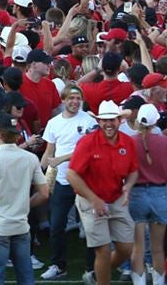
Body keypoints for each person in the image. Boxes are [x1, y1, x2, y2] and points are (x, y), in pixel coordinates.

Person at [67, 100, 139, 285]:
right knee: (103, 250)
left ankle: (96, 276)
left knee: (126, 248)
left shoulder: (128, 142)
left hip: (116, 198)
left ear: (119, 121)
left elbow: (133, 170)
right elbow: (72, 174)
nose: (108, 124)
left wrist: (128, 186)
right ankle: (101, 281)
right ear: (98, 122)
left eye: (112, 120)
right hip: (90, 200)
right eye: (104, 120)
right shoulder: (87, 142)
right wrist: (94, 199)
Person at [0, 114, 49, 285]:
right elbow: (45, 193)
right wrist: (25, 205)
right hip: (21, 226)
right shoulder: (30, 159)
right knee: (26, 277)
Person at [40, 84, 96, 280]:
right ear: (63, 100)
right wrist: (41, 169)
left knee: (90, 227)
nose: (75, 102)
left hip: (85, 181)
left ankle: (91, 268)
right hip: (63, 181)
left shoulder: (89, 121)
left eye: (78, 98)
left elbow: (87, 151)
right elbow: (49, 150)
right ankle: (58, 265)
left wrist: (62, 158)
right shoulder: (54, 123)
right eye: (71, 98)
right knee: (56, 225)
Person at [128, 104, 167, 285]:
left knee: (138, 248)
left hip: (137, 194)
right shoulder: (165, 141)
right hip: (160, 193)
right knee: (157, 249)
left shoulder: (131, 141)